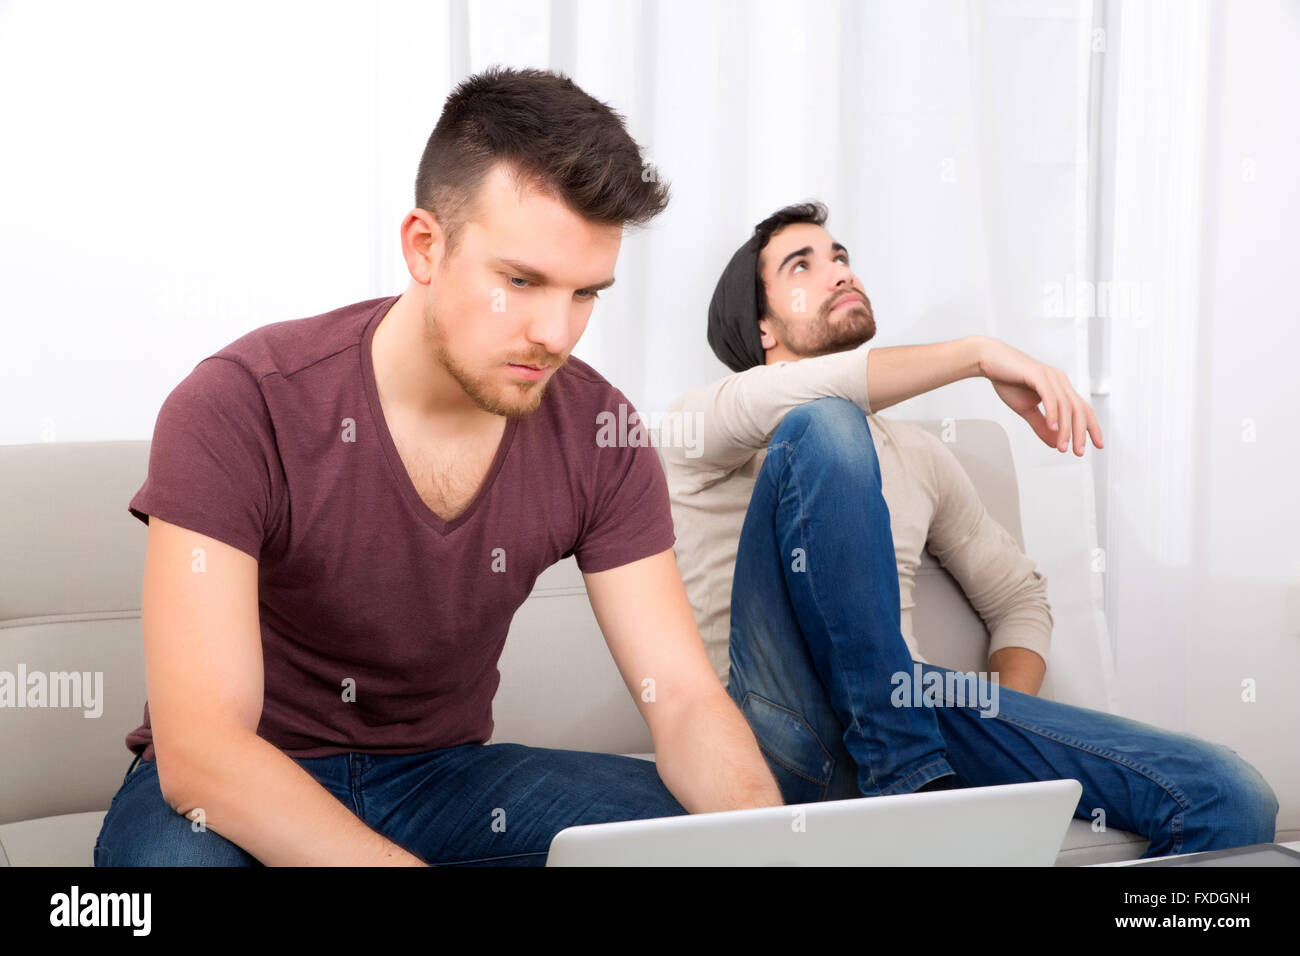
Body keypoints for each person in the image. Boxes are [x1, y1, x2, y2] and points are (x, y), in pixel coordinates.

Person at [94, 67, 782, 868]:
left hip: (442, 782)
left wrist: (759, 844)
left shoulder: (602, 430)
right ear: (426, 247)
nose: (556, 333)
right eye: (520, 282)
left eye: (586, 293)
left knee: (688, 840)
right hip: (245, 776)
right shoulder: (239, 405)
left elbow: (686, 700)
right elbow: (205, 751)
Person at [659, 201, 1278, 858]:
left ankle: (913, 771)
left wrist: (1003, 719)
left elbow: (1018, 596)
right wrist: (980, 354)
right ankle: (909, 787)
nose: (839, 271)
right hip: (768, 725)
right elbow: (814, 404)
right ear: (759, 328)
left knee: (1228, 793)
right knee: (825, 425)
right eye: (802, 265)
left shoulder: (920, 456)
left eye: (840, 255)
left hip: (912, 703)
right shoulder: (706, 428)